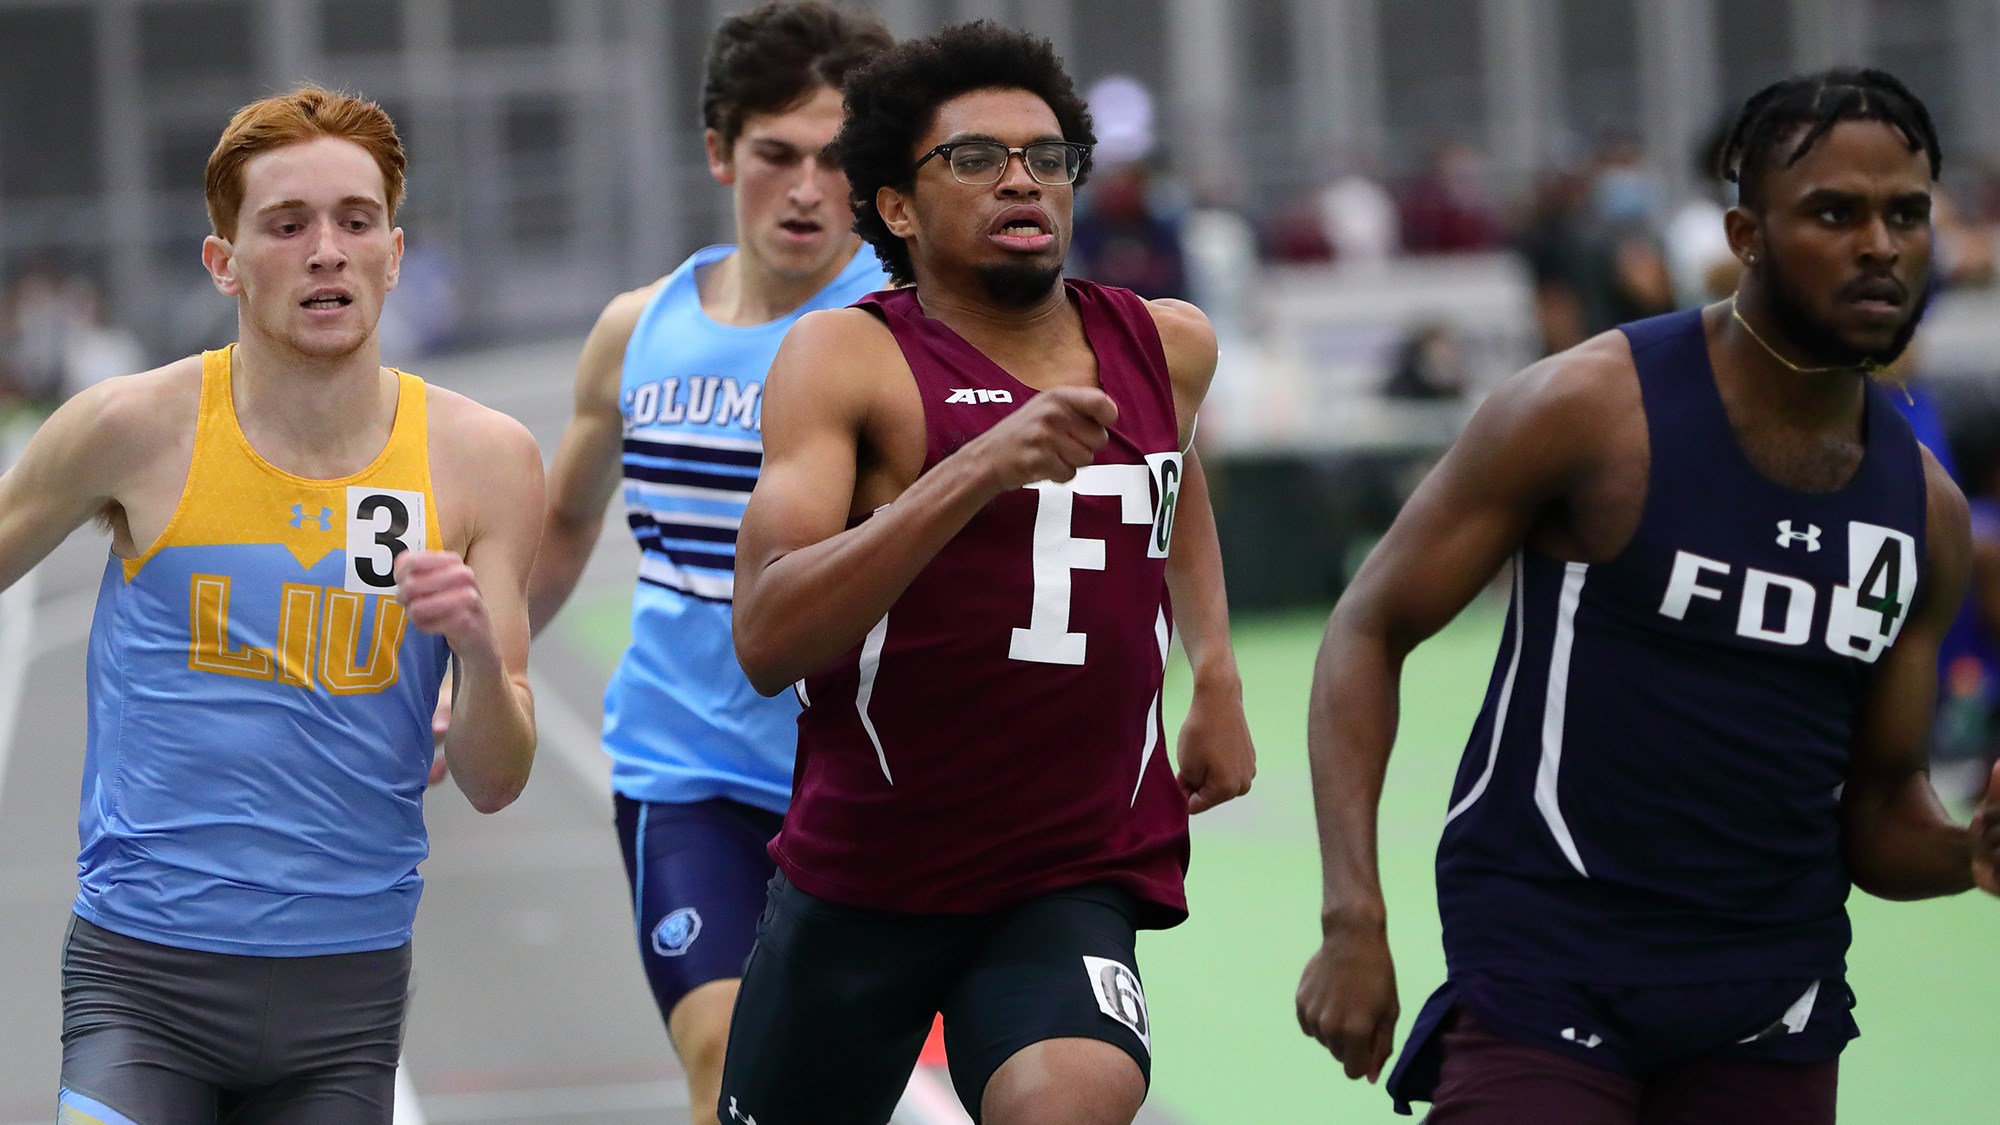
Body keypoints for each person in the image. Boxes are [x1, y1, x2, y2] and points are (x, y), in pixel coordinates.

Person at [1294, 67, 2000, 1123]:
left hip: (1769, 1000)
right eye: (1833, 213)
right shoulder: (1586, 411)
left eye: (1904, 214)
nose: (1879, 246)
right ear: (1745, 235)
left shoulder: (1923, 511)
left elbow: (1881, 806)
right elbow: (1368, 623)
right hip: (1547, 969)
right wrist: (1353, 915)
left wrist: (1967, 852)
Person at [717, 21, 1256, 1125]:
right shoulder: (846, 358)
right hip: (868, 875)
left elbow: (1175, 470)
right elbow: (767, 636)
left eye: (1046, 156)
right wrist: (969, 472)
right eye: (975, 158)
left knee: (1076, 1099)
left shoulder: (1168, 345)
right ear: (896, 206)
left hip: (1069, 871)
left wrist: (1215, 668)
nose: (1021, 179)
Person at [0, 86, 543, 1124]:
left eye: (355, 221)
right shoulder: (132, 428)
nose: (326, 251)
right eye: (288, 226)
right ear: (225, 262)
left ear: (394, 252)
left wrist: (475, 649)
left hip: (344, 1002)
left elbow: (495, 780)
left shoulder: (484, 460)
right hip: (143, 980)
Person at [488, 4, 891, 1123]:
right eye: (775, 155)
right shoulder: (638, 328)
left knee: (826, 1085)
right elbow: (565, 522)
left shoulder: (900, 330)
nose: (805, 191)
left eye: (836, 160)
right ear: (719, 151)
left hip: (858, 779)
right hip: (685, 769)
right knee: (720, 1043)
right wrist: (486, 671)